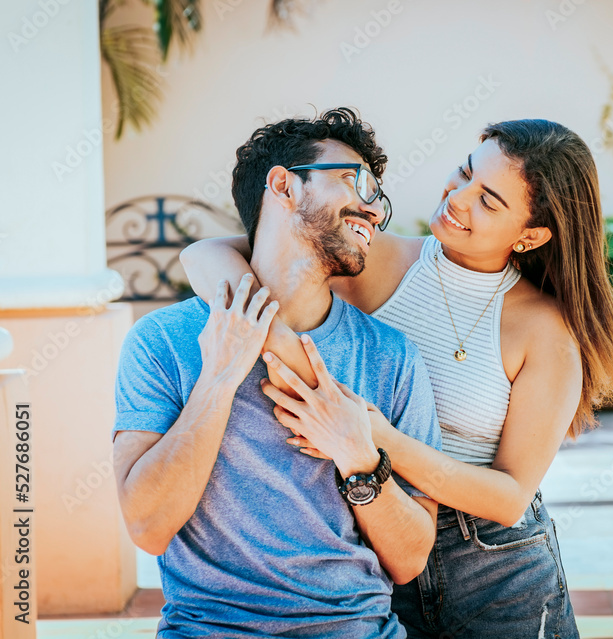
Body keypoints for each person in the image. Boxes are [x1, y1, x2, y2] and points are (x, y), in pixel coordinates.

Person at [181, 118, 613, 638]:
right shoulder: (375, 257)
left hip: (495, 566)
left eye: (489, 201)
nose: (459, 197)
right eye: (466, 172)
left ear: (531, 234)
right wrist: (267, 334)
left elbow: (510, 496)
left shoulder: (546, 330)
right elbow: (204, 254)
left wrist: (374, 437)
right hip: (379, 537)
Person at [113, 107, 442, 638]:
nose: (374, 209)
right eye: (355, 180)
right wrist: (219, 375)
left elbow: (410, 559)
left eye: (379, 196)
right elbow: (148, 528)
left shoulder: (391, 356)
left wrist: (358, 457)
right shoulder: (163, 342)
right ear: (284, 185)